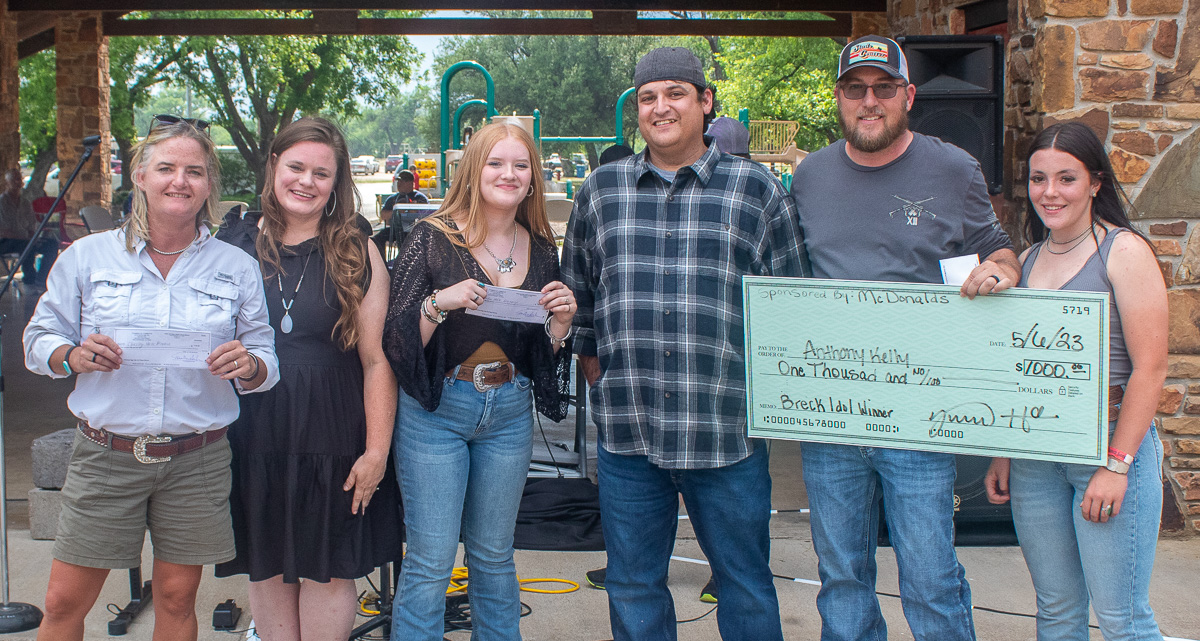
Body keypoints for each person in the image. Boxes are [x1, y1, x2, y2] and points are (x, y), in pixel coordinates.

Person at [562, 47, 805, 641]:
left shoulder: (757, 189)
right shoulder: (600, 191)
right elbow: (580, 298)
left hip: (724, 434)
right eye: (648, 97)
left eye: (675, 93)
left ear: (705, 102)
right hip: (628, 435)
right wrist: (599, 374)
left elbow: (791, 301)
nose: (660, 107)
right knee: (634, 586)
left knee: (744, 586)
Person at [790, 35, 1020, 641]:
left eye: (883, 87)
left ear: (908, 95)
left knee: (930, 575)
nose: (870, 101)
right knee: (841, 576)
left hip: (919, 416)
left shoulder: (953, 168)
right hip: (830, 414)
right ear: (838, 98)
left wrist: (1001, 269)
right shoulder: (807, 176)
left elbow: (998, 245)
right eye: (854, 89)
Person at [23, 115, 278, 641]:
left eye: (194, 171)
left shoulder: (235, 266)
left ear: (209, 184)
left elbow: (264, 354)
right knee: (63, 601)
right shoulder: (87, 257)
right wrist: (71, 355)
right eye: (166, 168)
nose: (179, 181)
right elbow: (36, 340)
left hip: (196, 458)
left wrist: (250, 366)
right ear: (138, 175)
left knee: (177, 598)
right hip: (105, 453)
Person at [383, 122, 575, 640]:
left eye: (519, 165)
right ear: (473, 169)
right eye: (495, 163)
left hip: (508, 410)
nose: (508, 174)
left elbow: (538, 356)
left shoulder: (540, 246)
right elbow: (397, 340)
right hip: (437, 412)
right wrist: (437, 303)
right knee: (431, 561)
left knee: (494, 555)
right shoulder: (431, 238)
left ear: (533, 177)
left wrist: (558, 326)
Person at [214, 117, 403, 640]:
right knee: (267, 565)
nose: (306, 181)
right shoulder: (232, 242)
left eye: (322, 173)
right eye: (296, 166)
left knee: (329, 571)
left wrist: (377, 452)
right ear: (274, 166)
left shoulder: (356, 250)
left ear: (337, 182)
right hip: (252, 431)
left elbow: (375, 361)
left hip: (334, 436)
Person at [984, 122, 1168, 640]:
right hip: (1036, 459)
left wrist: (1117, 466)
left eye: (1067, 178)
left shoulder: (1124, 252)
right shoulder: (1027, 259)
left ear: (1095, 183)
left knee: (1121, 618)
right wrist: (1005, 451)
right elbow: (1017, 371)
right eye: (1039, 179)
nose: (1050, 192)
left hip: (1107, 448)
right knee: (1057, 612)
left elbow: (1151, 367)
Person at [1, 167, 59, 289]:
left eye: (19, 179)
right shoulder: (2, 203)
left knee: (52, 244)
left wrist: (33, 237)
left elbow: (32, 226)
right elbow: (4, 232)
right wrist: (27, 238)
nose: (17, 182)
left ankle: (42, 278)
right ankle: (29, 279)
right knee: (26, 245)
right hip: (5, 242)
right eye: (14, 180)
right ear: (7, 183)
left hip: (25, 239)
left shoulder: (25, 203)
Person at [373, 168, 429, 253]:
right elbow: (383, 215)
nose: (399, 183)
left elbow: (426, 215)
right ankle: (382, 263)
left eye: (403, 181)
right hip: (395, 229)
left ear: (411, 183)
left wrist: (412, 210)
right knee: (377, 239)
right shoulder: (393, 198)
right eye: (399, 181)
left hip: (414, 230)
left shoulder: (419, 198)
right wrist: (397, 211)